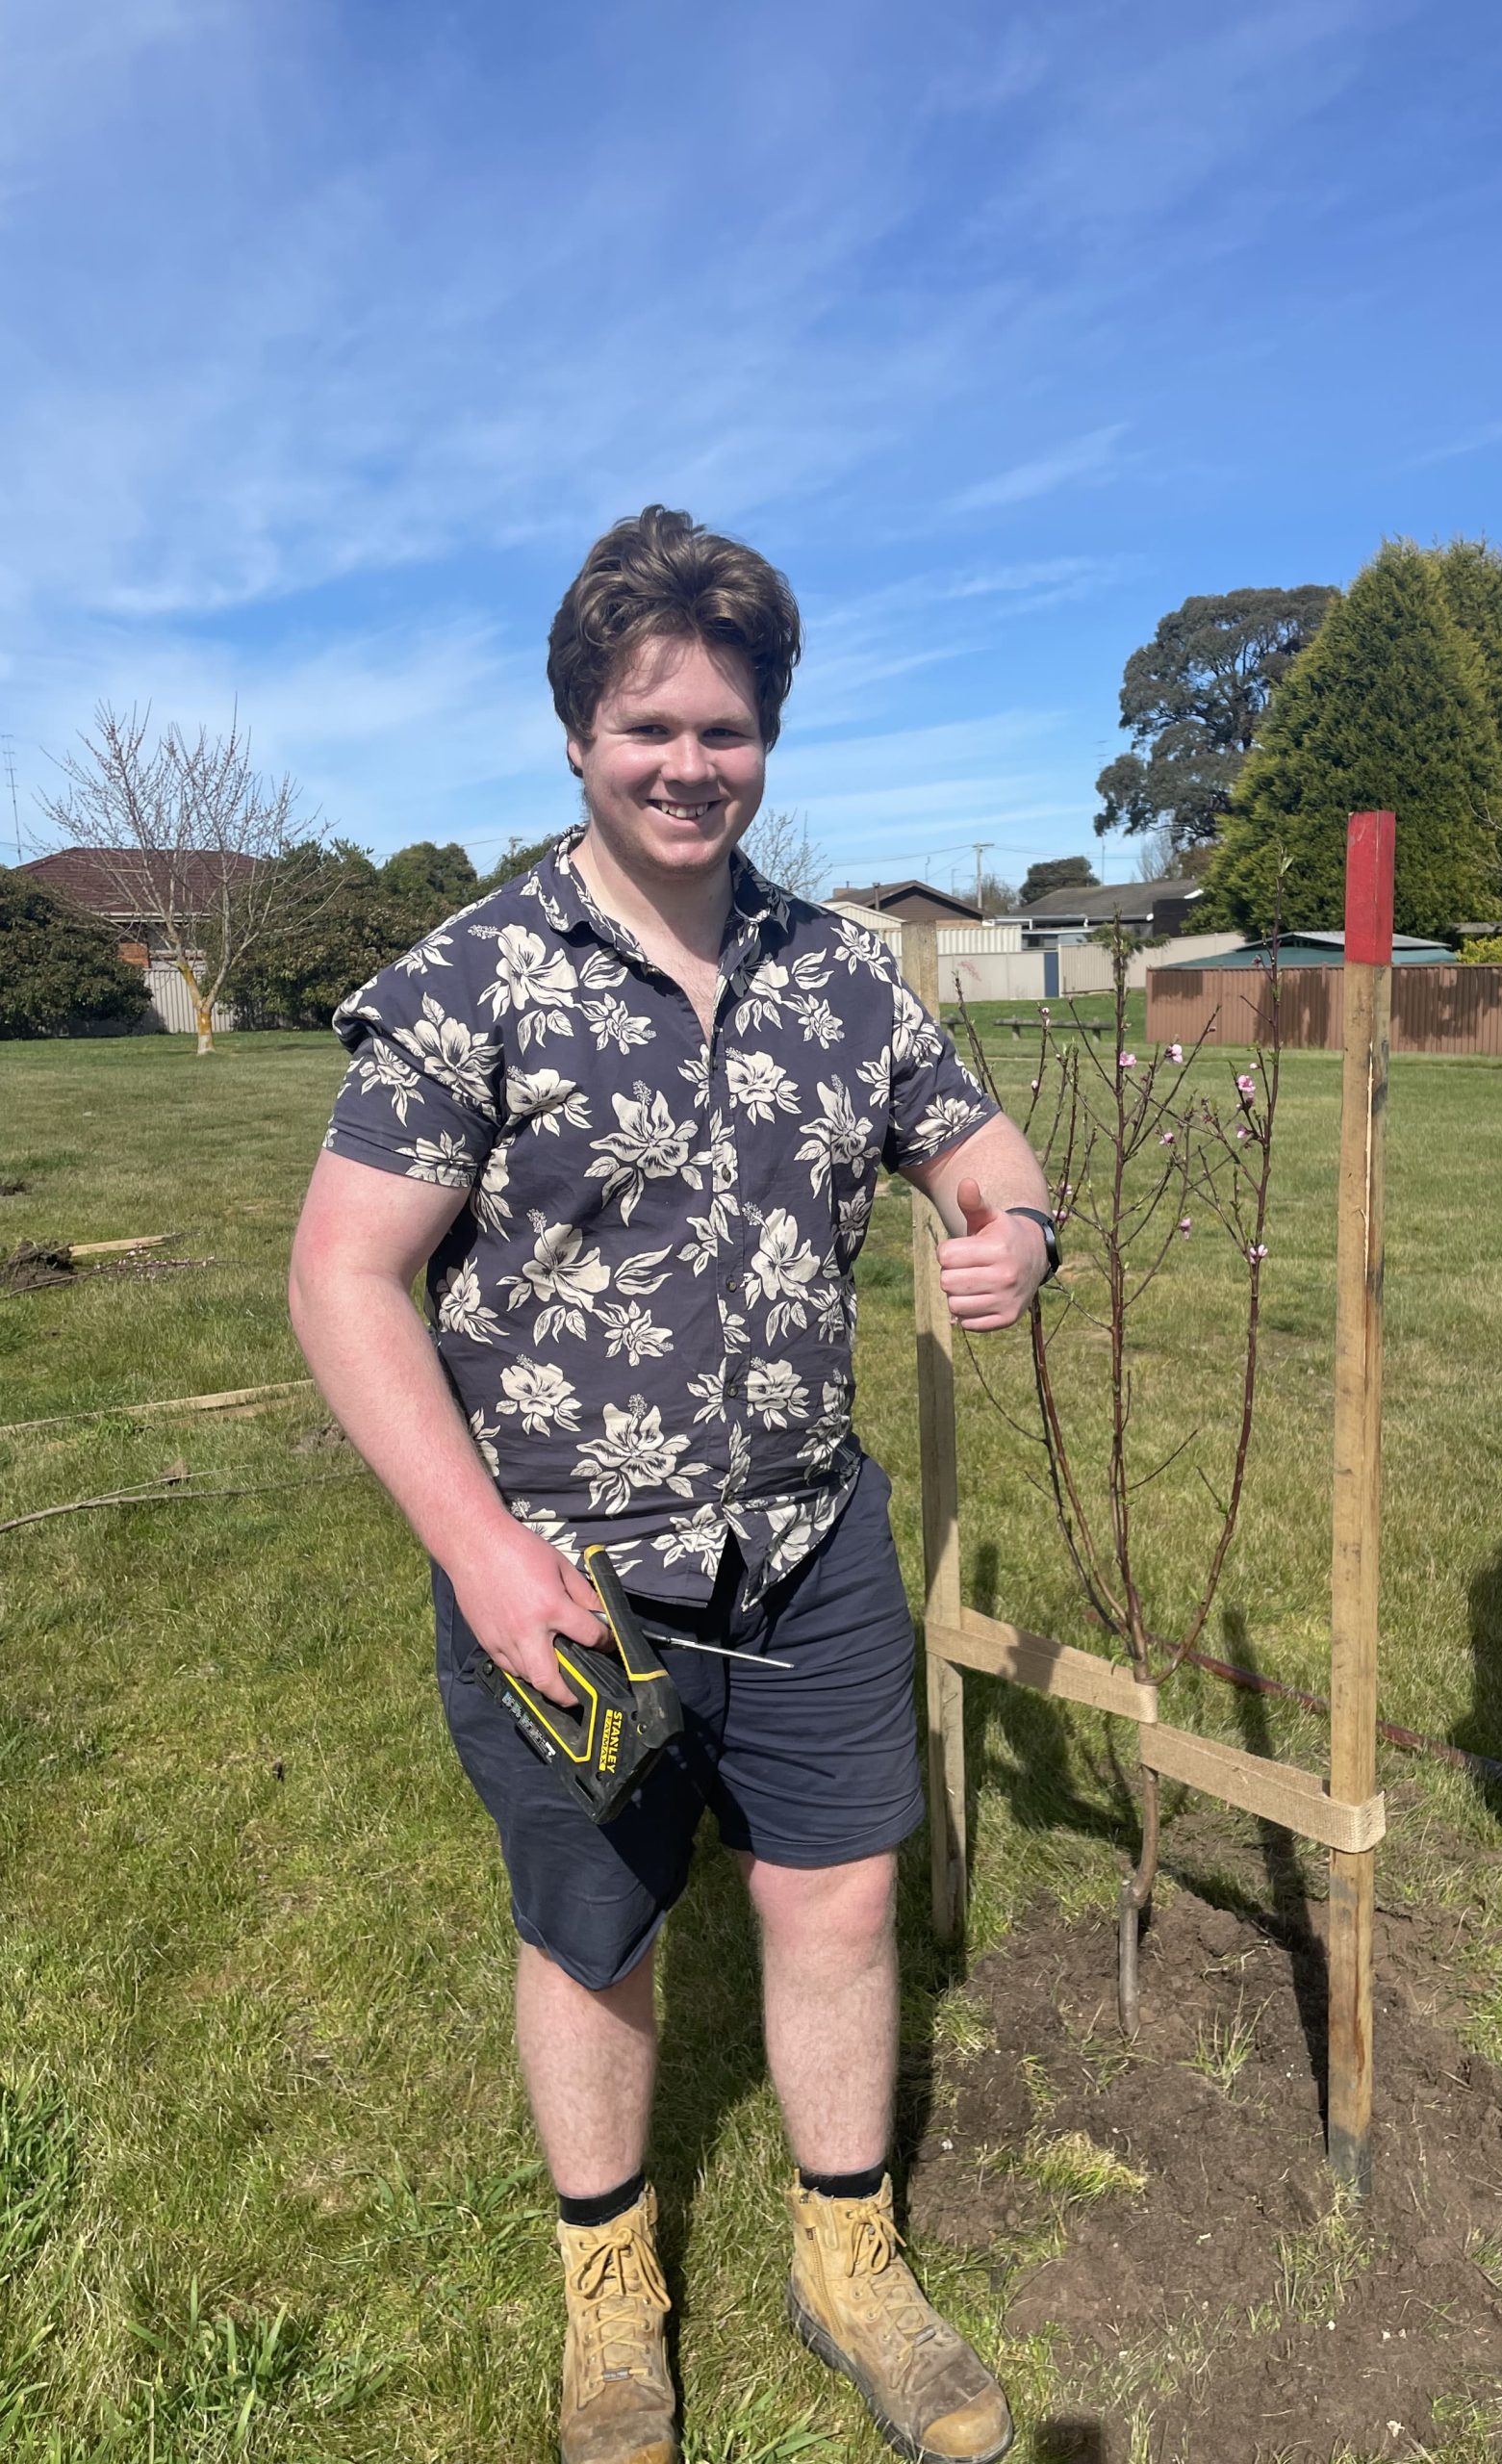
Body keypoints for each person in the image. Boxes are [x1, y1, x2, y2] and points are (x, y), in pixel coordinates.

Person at [289, 505, 1054, 2464]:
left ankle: (850, 2259)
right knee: (595, 1935)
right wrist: (477, 1551)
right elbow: (342, 1274)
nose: (690, 764)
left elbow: (985, 1150)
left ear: (768, 736)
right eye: (651, 727)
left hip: (810, 1546)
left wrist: (1020, 1229)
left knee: (839, 1902)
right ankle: (611, 2289)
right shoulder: (472, 980)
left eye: (727, 728)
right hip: (563, 1579)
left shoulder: (844, 974)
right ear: (577, 734)